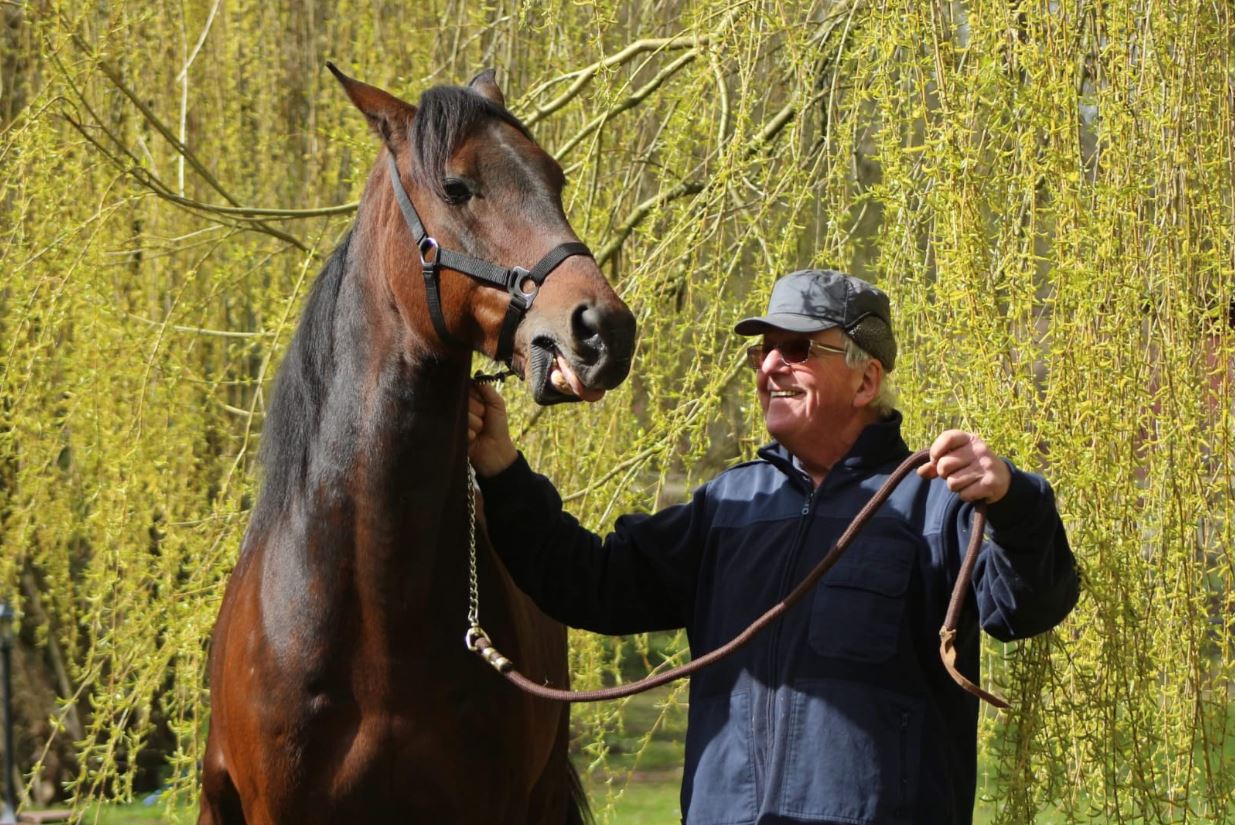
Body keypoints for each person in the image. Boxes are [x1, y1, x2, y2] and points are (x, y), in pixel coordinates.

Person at [468, 269, 1078, 825]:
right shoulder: (728, 508)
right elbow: (588, 582)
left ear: (867, 379)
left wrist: (1014, 500)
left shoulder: (937, 506)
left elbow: (1026, 606)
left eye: (797, 349)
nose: (769, 368)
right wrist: (502, 469)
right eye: (763, 350)